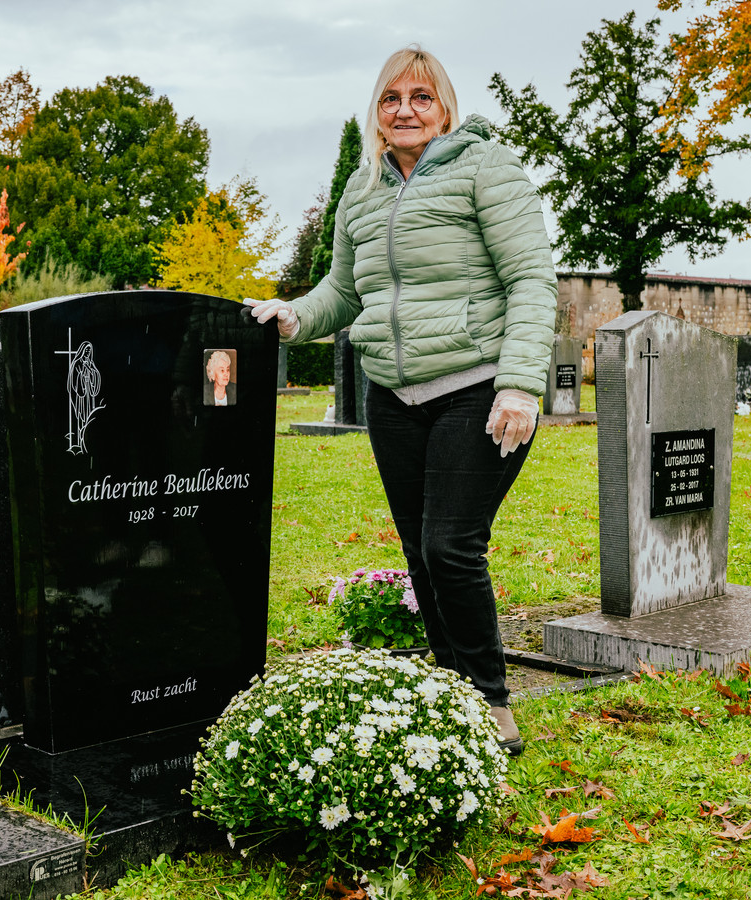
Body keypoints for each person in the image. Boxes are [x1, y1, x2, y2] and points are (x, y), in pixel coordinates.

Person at [246, 45, 556, 755]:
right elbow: (343, 290)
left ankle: (489, 700)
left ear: (443, 108)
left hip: (475, 386)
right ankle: (451, 693)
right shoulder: (361, 189)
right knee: (420, 553)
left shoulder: (485, 168)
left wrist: (518, 384)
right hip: (392, 396)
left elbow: (531, 280)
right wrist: (294, 315)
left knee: (451, 547)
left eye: (421, 97)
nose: (405, 110)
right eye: (391, 98)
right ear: (376, 112)